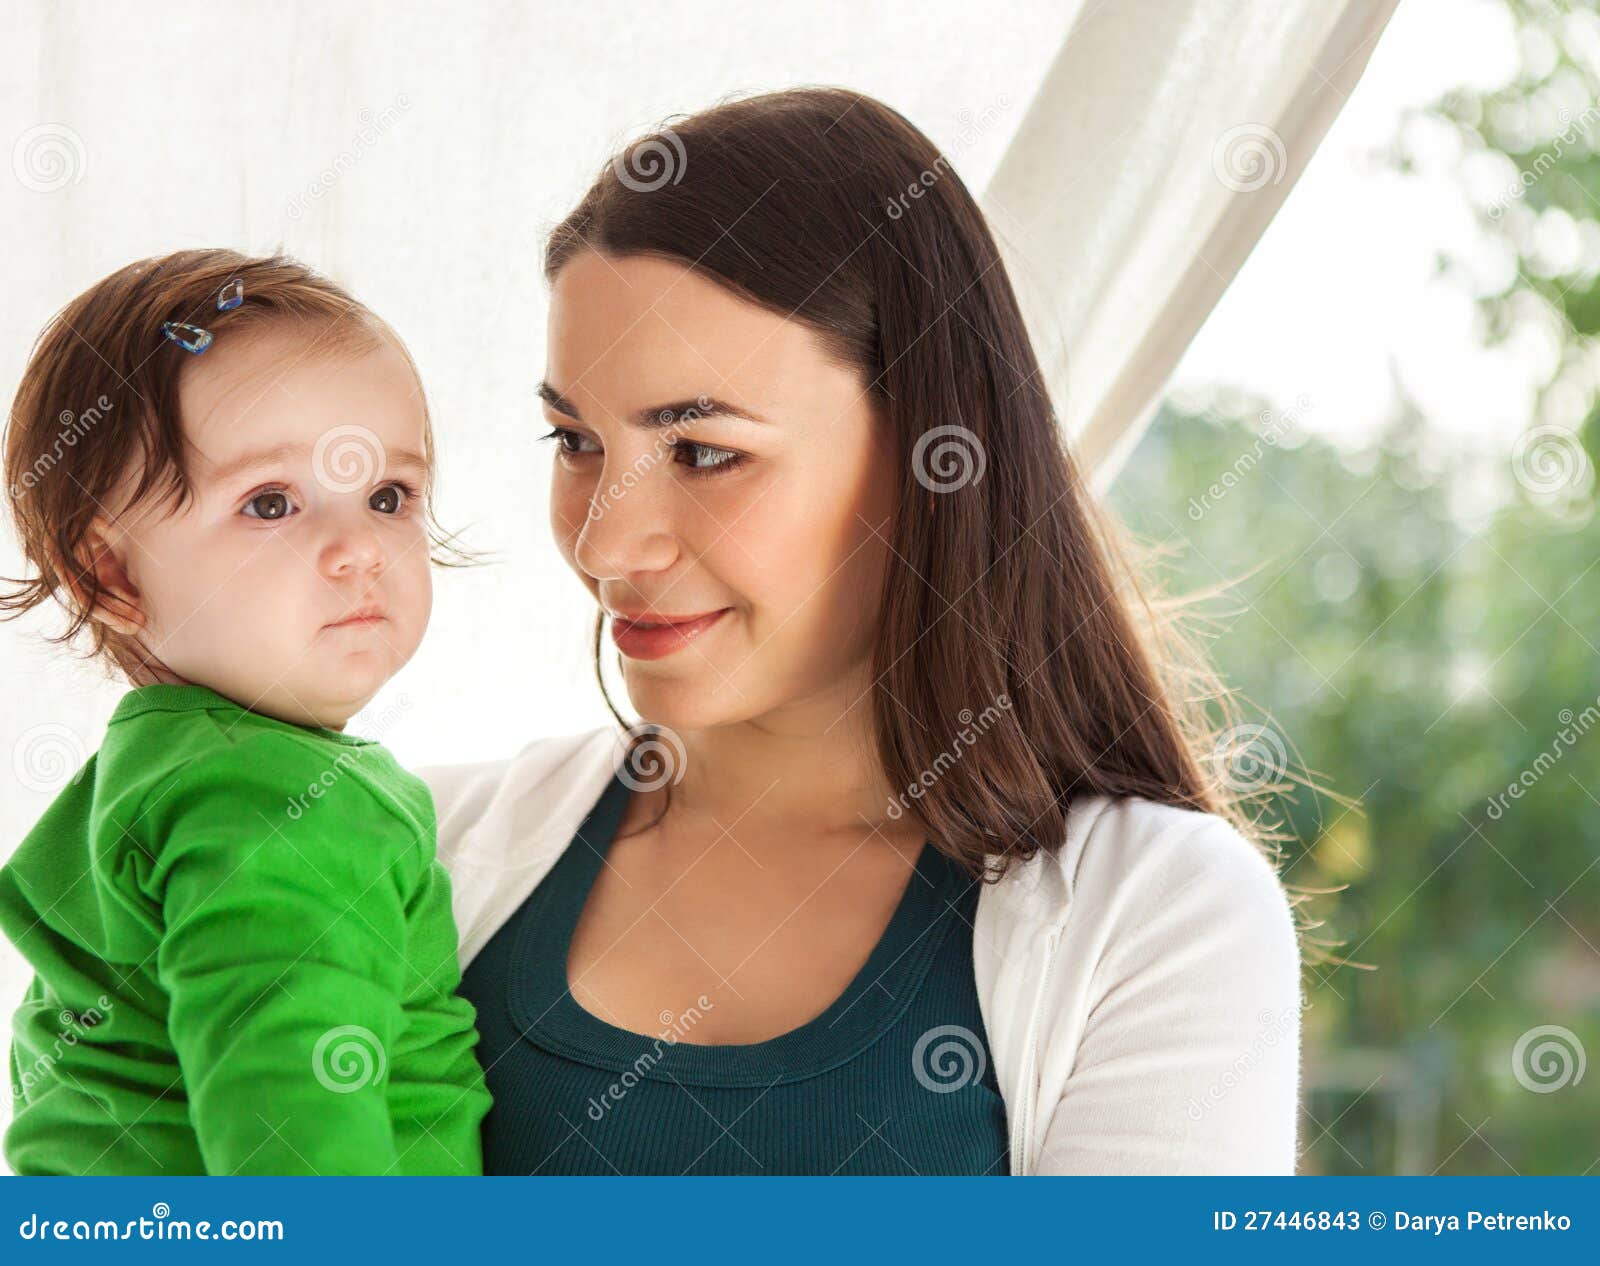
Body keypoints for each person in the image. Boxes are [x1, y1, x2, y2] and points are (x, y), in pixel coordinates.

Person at [419, 87, 1303, 1176]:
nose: (605, 544)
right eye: (573, 441)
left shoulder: (1157, 917)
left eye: (703, 452)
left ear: (932, 457)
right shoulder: (424, 850)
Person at [0, 250, 491, 1175]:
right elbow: (289, 1097)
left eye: (387, 496)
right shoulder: (277, 800)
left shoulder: (145, 778)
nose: (358, 548)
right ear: (114, 576)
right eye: (271, 504)